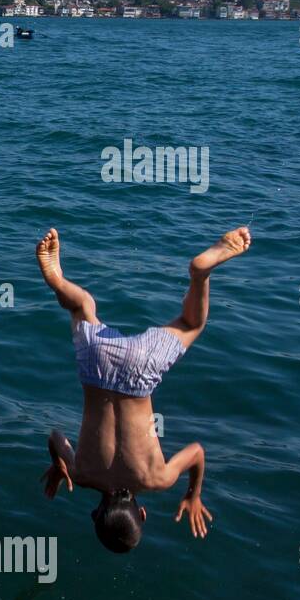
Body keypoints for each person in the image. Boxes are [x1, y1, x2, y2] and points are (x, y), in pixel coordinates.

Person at [36, 226, 252, 552]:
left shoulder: (157, 479)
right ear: (96, 512)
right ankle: (56, 280)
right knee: (82, 307)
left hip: (140, 372)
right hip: (97, 368)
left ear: (143, 513)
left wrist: (192, 494)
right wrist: (59, 464)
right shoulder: (81, 474)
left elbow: (196, 453)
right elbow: (54, 436)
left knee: (191, 324)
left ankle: (199, 274)